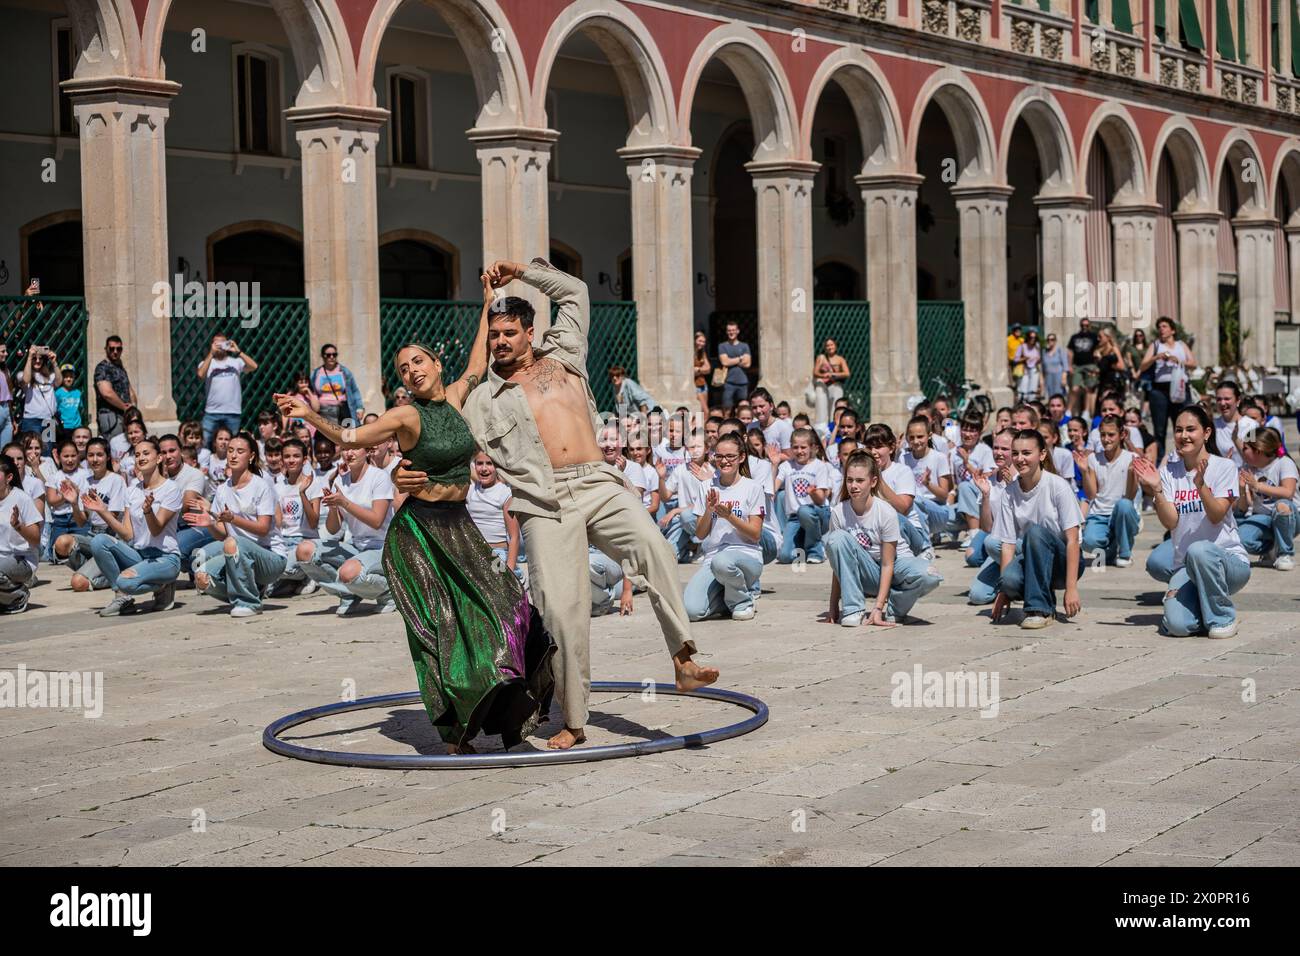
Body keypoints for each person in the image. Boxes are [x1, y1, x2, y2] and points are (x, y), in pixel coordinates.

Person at [390, 258, 717, 751]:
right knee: (563, 611)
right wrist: (402, 471)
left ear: (529, 331)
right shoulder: (481, 399)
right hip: (543, 502)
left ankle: (684, 659)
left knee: (655, 547)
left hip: (600, 484)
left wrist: (520, 272)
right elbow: (437, 439)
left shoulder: (564, 354)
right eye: (494, 334)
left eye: (509, 333)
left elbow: (576, 292)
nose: (500, 341)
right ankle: (574, 718)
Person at [276, 273, 557, 754]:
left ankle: (509, 711)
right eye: (403, 367)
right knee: (444, 628)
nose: (411, 371)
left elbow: (479, 356)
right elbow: (349, 440)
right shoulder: (405, 416)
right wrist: (311, 415)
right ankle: (455, 731)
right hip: (418, 536)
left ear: (435, 363)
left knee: (509, 607)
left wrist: (487, 302)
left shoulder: (457, 395)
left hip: (462, 529)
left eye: (418, 361)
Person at [1135, 406, 1250, 638]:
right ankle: (1199, 604)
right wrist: (1156, 490)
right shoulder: (1168, 472)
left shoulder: (1224, 467)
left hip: (1226, 562)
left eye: (1191, 429)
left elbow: (1217, 515)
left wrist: (1200, 486)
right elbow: (1171, 522)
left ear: (1206, 433)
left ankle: (1222, 617)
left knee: (1198, 550)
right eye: (1178, 430)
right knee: (1177, 626)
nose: (1183, 435)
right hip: (1186, 567)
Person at [825, 452, 942, 626]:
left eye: (860, 480)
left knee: (930, 576)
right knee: (836, 539)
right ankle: (853, 609)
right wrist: (833, 606)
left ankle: (895, 608)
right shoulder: (838, 512)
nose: (854, 486)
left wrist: (878, 608)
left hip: (896, 566)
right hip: (868, 572)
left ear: (873, 482)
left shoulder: (885, 511)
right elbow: (839, 565)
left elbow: (888, 564)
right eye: (850, 480)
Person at [990, 430, 1085, 629]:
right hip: (1033, 559)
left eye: (1026, 453)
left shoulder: (1058, 486)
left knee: (1035, 532)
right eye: (1015, 453)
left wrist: (1071, 588)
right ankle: (1044, 598)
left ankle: (1038, 610)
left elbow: (1073, 540)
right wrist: (1004, 591)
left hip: (1063, 561)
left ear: (1042, 455)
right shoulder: (1009, 493)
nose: (1020, 459)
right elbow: (1007, 544)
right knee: (1007, 580)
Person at [184, 433, 283, 618]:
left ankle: (249, 602)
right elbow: (222, 534)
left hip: (270, 556)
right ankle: (251, 590)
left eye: (240, 451)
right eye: (230, 451)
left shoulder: (261, 485)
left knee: (233, 543)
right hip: (237, 551)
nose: (233, 455)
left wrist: (233, 519)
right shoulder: (222, 490)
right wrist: (210, 524)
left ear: (251, 456)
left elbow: (263, 528)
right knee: (202, 578)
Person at [296, 445, 396, 614]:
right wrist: (334, 508)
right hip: (356, 545)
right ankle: (349, 593)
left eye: (356, 448)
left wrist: (344, 503)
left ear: (367, 451)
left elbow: (377, 521)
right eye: (345, 449)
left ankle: (388, 592)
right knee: (305, 551)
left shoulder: (379, 477)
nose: (350, 453)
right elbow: (333, 529)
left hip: (382, 546)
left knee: (349, 572)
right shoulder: (340, 480)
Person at [90, 438, 184, 615]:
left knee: (126, 582)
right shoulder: (132, 490)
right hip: (140, 555)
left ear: (159, 458)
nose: (141, 457)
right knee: (98, 541)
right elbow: (127, 534)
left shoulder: (171, 489)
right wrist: (103, 510)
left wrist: (148, 512)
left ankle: (163, 585)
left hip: (165, 558)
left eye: (146, 453)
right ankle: (122, 597)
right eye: (138, 454)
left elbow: (156, 529)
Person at [683, 434, 766, 621]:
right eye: (719, 456)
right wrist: (709, 510)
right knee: (692, 611)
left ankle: (743, 601)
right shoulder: (706, 486)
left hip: (746, 556)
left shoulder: (753, 488)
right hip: (713, 559)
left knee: (723, 561)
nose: (724, 461)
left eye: (730, 456)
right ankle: (729, 599)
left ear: (741, 457)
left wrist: (729, 517)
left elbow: (755, 534)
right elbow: (700, 533)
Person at [53, 437, 126, 592]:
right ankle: (97, 567)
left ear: (107, 457)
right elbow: (81, 522)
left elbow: (113, 518)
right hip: (92, 534)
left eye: (99, 455)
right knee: (62, 543)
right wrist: (73, 503)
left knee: (78, 584)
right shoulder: (86, 481)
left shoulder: (116, 480)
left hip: (110, 538)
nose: (95, 459)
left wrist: (99, 507)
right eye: (91, 455)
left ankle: (116, 573)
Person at [1077, 416, 1139, 568]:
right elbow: (1091, 495)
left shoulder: (1132, 457)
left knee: (1124, 505)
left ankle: (1125, 553)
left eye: (1111, 435)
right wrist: (1084, 472)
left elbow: (1130, 496)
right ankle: (1111, 551)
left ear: (1122, 435)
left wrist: (1132, 474)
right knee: (1088, 543)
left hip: (1122, 512)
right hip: (1099, 514)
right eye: (1103, 434)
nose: (1106, 439)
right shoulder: (1092, 458)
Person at [862, 423, 930, 558]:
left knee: (892, 518)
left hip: (909, 533)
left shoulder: (902, 471)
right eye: (869, 448)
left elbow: (903, 507)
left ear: (891, 448)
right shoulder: (862, 475)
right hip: (879, 532)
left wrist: (878, 479)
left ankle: (916, 557)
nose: (874, 452)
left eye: (879, 446)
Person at [266, 437, 322, 596]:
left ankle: (309, 574)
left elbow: (313, 522)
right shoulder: (277, 486)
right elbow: (277, 523)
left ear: (304, 460)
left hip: (304, 541)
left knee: (279, 568)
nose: (291, 460)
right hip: (282, 541)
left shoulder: (313, 484)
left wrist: (302, 493)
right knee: (267, 588)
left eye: (296, 456)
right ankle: (292, 581)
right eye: (287, 456)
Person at [966, 428, 1016, 603]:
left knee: (991, 542)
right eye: (996, 448)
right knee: (977, 596)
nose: (999, 453)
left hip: (1021, 545)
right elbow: (987, 527)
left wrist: (1015, 491)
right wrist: (986, 495)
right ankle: (1010, 578)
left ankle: (1022, 581)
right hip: (998, 547)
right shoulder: (989, 480)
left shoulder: (1025, 479)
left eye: (1005, 449)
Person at [1237, 429, 1296, 572]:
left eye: (1245, 448)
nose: (1242, 452)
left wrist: (1257, 485)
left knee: (1282, 505)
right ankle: (1271, 549)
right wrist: (1242, 490)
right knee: (1241, 539)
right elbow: (1244, 508)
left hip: (1289, 518)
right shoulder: (1247, 468)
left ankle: (1285, 554)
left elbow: (1288, 492)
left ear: (1258, 450)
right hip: (1262, 518)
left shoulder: (1284, 463)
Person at [1138, 317, 1196, 461]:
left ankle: (1184, 458)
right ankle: (1160, 462)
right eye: (1159, 327)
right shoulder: (1155, 345)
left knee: (1183, 425)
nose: (1161, 329)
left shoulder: (1181, 345)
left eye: (1164, 326)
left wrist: (1178, 360)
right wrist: (1156, 357)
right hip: (1160, 390)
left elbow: (1193, 363)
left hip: (1179, 388)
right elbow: (1143, 366)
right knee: (1159, 429)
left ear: (1172, 330)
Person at [775, 427, 834, 564]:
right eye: (795, 447)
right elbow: (774, 488)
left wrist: (813, 493)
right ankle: (802, 545)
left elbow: (820, 500)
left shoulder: (819, 466)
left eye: (803, 447)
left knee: (804, 511)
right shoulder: (786, 466)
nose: (799, 451)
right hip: (795, 518)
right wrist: (774, 464)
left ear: (812, 447)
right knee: (785, 557)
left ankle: (815, 551)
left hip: (817, 514)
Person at [466, 451, 523, 582]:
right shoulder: (471, 491)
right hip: (475, 553)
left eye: (489, 464)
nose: (484, 468)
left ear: (498, 467)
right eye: (479, 463)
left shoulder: (504, 493)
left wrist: (510, 570)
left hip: (497, 555)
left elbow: (514, 536)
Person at [901, 414, 954, 544]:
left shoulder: (939, 457)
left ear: (929, 435)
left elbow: (944, 495)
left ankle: (925, 546)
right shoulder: (903, 458)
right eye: (911, 437)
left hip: (938, 509)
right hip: (914, 509)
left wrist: (928, 484)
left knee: (916, 499)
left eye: (920, 436)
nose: (915, 441)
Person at [198, 334, 258, 444]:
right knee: (205, 443)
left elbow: (254, 366)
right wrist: (211, 353)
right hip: (212, 412)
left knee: (232, 443)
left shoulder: (235, 362)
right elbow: (201, 374)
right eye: (217, 343)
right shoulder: (207, 363)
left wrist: (238, 352)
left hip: (232, 411)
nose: (220, 346)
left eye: (223, 343)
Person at [0, 457, 42, 614]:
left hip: (22, 560)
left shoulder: (21, 499)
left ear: (9, 477)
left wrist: (18, 526)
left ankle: (17, 596)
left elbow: (36, 539)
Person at [18, 344, 59, 453]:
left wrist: (54, 362)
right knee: (30, 451)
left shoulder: (50, 376)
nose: (37, 361)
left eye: (40, 358)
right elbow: (25, 380)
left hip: (48, 420)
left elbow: (59, 382)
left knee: (47, 450)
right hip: (31, 419)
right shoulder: (22, 374)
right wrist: (29, 357)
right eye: (34, 358)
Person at [93, 335, 136, 439]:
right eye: (112, 348)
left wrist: (133, 409)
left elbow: (129, 389)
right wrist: (125, 407)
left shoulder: (120, 367)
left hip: (125, 416)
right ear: (106, 349)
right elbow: (106, 393)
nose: (115, 352)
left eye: (119, 349)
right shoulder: (102, 368)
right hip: (111, 416)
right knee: (114, 447)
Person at [310, 344, 364, 425]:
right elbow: (312, 392)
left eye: (334, 355)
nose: (331, 357)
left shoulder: (344, 372)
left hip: (343, 409)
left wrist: (359, 408)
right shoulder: (316, 373)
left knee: (347, 435)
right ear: (322, 356)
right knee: (328, 436)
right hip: (324, 411)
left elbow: (354, 390)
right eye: (328, 355)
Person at [1066, 317, 1099, 418]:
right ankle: (1069, 411)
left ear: (1089, 326)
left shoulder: (1094, 336)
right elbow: (1070, 352)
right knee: (1075, 388)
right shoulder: (1075, 337)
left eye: (1086, 325)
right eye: (1082, 325)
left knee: (1089, 389)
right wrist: (1070, 366)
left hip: (1090, 365)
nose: (1084, 327)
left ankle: (1086, 412)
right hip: (1078, 366)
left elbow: (1099, 348)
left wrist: (1097, 364)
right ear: (1080, 326)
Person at [812, 339, 850, 424]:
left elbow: (847, 373)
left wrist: (833, 374)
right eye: (827, 345)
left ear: (835, 346)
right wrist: (824, 375)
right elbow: (815, 372)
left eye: (831, 345)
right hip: (823, 385)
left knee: (836, 406)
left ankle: (835, 424)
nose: (830, 347)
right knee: (822, 407)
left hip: (836, 385)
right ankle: (822, 427)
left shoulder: (840, 359)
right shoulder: (821, 358)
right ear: (825, 348)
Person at [1213, 380, 1250, 468]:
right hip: (1221, 477)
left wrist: (1236, 440)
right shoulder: (1213, 425)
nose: (1222, 403)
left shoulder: (1250, 425)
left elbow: (1252, 458)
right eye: (1219, 399)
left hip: (1244, 478)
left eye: (1227, 399)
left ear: (1238, 401)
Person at [717, 321, 752, 410]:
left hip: (743, 382)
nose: (731, 332)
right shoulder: (722, 346)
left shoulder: (744, 346)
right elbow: (724, 362)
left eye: (733, 330)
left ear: (738, 331)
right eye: (729, 330)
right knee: (727, 409)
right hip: (728, 382)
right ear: (726, 332)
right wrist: (740, 358)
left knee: (743, 409)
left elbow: (747, 364)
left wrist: (730, 360)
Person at [1094, 328, 1127, 404]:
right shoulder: (1100, 350)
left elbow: (1121, 366)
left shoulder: (1113, 349)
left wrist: (1105, 362)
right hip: (1103, 382)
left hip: (1112, 384)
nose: (1098, 339)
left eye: (1100, 337)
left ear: (1108, 337)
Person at [1014, 330, 1043, 400]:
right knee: (1023, 391)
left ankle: (1031, 406)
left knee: (1032, 391)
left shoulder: (1037, 346)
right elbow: (1015, 359)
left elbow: (1039, 358)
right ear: (1027, 337)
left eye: (1034, 337)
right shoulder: (1022, 346)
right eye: (1031, 337)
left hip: (1034, 369)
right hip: (1025, 370)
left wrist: (1038, 359)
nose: (1033, 339)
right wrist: (1025, 358)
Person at [54, 364, 82, 435]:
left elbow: (80, 408)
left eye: (71, 376)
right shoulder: (58, 393)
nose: (68, 379)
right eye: (65, 377)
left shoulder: (78, 392)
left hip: (77, 426)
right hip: (63, 426)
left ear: (74, 377)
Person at [1042, 333, 1069, 401]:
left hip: (1058, 376)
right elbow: (1043, 367)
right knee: (1050, 396)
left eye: (1052, 339)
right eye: (1048, 340)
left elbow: (1065, 366)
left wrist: (1064, 378)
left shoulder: (1060, 351)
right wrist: (1042, 381)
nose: (1050, 341)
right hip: (1048, 377)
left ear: (1055, 341)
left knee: (1059, 396)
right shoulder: (1044, 352)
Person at [0, 342, 16, 448]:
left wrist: (12, 418)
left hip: (6, 409)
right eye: (2, 351)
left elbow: (9, 396)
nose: (6, 354)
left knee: (5, 450)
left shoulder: (5, 370)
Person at [692, 331, 712, 417]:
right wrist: (701, 370)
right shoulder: (690, 352)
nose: (702, 344)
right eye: (700, 341)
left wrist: (699, 370)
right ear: (694, 340)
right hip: (695, 385)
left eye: (703, 341)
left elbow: (708, 369)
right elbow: (690, 371)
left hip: (703, 384)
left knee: (704, 412)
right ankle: (701, 430)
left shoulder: (702, 353)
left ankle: (704, 430)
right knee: (704, 411)